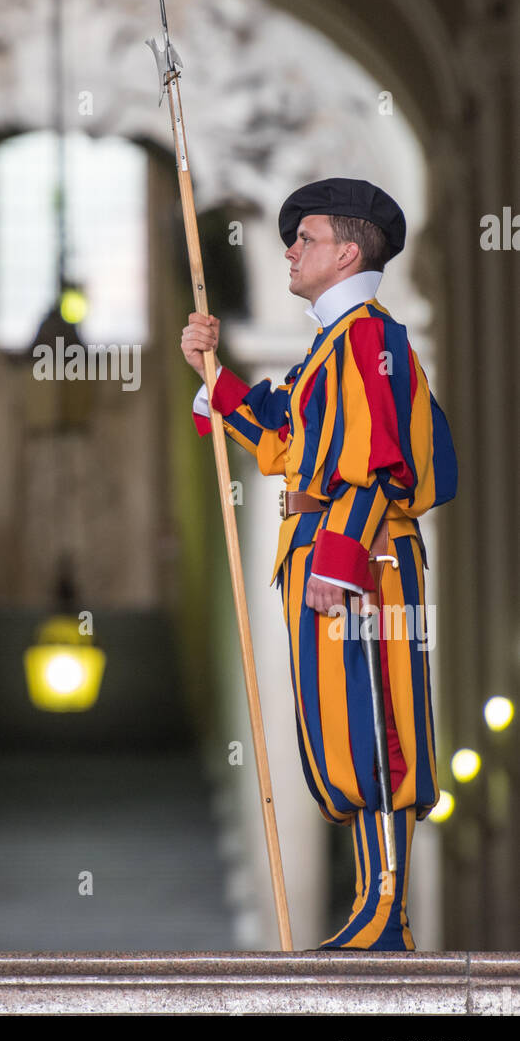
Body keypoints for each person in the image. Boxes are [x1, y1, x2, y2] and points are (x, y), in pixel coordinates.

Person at [181, 178, 457, 951]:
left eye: (304, 238)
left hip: (364, 560)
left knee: (376, 727)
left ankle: (386, 913)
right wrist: (211, 370)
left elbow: (381, 463)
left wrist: (339, 563)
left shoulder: (370, 338)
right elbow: (280, 437)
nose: (290, 250)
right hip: (332, 556)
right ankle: (375, 905)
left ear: (346, 251)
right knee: (341, 730)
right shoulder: (331, 348)